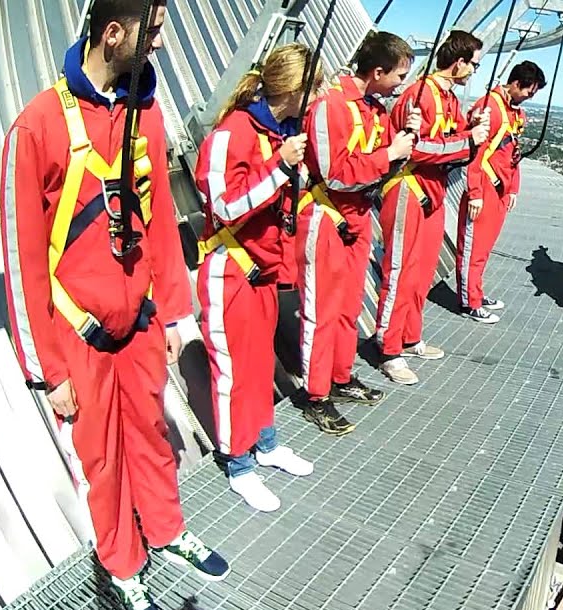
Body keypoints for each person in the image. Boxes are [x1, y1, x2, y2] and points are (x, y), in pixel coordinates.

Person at [0, 0, 228, 610]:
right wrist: (48, 371)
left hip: (140, 323)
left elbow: (155, 222)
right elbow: (21, 261)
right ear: (114, 32)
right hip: (80, 335)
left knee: (154, 430)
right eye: (152, 33)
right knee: (101, 456)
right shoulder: (37, 126)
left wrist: (177, 314)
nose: (159, 45)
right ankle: (124, 564)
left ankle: (165, 528)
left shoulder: (143, 113)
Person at [194, 44, 322, 513]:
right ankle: (238, 464)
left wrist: (295, 170)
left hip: (262, 271)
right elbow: (225, 206)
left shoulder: (279, 133)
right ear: (290, 89)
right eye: (311, 88)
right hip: (231, 271)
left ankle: (265, 444)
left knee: (257, 364)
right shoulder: (233, 134)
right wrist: (279, 166)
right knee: (233, 370)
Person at [298, 32, 417, 434]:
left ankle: (341, 375)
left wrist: (405, 141)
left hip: (358, 216)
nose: (401, 83)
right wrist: (390, 154)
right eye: (399, 75)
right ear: (378, 71)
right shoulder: (330, 107)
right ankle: (317, 395)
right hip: (328, 217)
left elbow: (384, 166)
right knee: (322, 312)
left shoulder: (374, 110)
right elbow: (335, 174)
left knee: (348, 306)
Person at [374, 30, 490, 384]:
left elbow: (448, 140)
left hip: (431, 191)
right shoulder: (420, 95)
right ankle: (388, 349)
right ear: (458, 63)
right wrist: (467, 140)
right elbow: (418, 148)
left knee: (422, 271)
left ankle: (409, 337)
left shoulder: (448, 99)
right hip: (409, 189)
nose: (474, 72)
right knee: (400, 271)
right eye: (473, 65)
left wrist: (468, 132)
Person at [455, 61, 546, 324]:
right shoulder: (489, 108)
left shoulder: (514, 113)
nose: (530, 97)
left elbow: (513, 154)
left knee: (483, 249)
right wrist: (474, 192)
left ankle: (475, 293)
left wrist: (513, 188)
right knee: (473, 248)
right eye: (529, 91)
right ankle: (469, 301)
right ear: (516, 83)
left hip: (499, 191)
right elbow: (475, 153)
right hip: (484, 186)